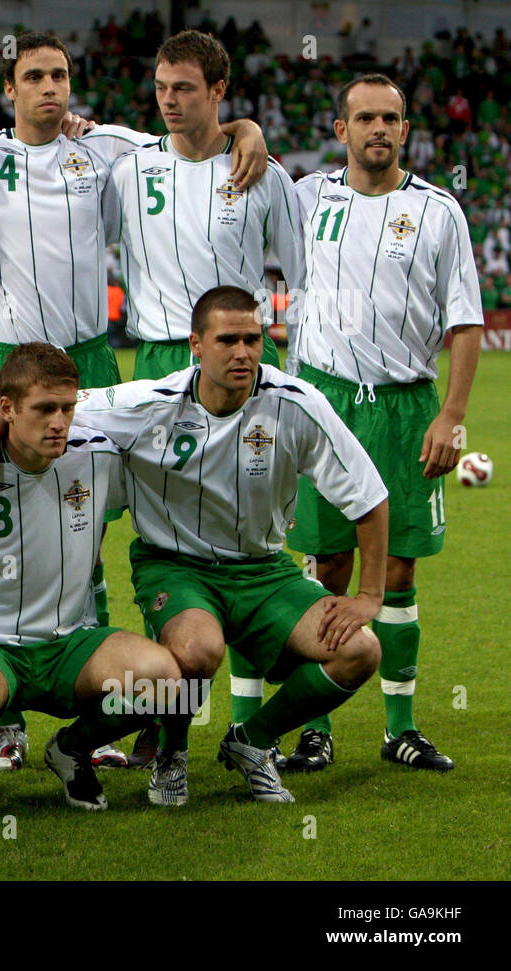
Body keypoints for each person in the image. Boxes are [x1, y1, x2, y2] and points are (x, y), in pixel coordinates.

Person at [0, 30, 270, 771]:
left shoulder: (110, 148)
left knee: (81, 524)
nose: (49, 87)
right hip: (3, 359)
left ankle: (87, 702)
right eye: (33, 76)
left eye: (59, 75)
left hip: (88, 356)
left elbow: (196, 136)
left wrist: (245, 127)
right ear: (9, 90)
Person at [0, 286, 388, 803]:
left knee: (360, 650)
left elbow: (368, 495)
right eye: (227, 339)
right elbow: (48, 407)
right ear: (196, 345)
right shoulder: (147, 404)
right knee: (196, 650)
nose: (243, 353)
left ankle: (250, 741)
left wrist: (369, 596)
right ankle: (169, 755)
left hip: (264, 570)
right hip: (176, 567)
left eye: (253, 339)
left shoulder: (296, 404)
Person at [104, 29, 305, 755]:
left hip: (244, 364)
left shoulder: (263, 172)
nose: (168, 99)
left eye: (184, 88)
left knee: (252, 537)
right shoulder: (127, 168)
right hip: (159, 361)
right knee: (166, 540)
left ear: (220, 92)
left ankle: (259, 727)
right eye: (160, 86)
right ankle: (169, 727)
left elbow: (303, 278)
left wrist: (296, 374)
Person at [285, 74, 482, 772]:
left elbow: (465, 322)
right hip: (323, 402)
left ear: (405, 130)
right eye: (363, 117)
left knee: (397, 568)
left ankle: (400, 727)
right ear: (341, 129)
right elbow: (226, 175)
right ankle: (315, 727)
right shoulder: (306, 197)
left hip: (405, 408)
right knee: (327, 566)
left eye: (389, 118)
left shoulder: (438, 211)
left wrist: (452, 415)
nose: (377, 128)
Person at [0, 343, 182, 814]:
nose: (59, 421)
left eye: (67, 407)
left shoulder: (97, 454)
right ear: (8, 409)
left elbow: (152, 404)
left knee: (162, 679)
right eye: (43, 410)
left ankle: (73, 749)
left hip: (67, 645)